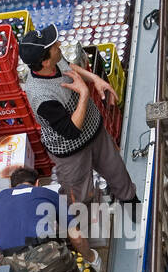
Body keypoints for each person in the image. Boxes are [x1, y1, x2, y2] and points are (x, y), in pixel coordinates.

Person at [18, 25, 138, 213]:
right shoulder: (42, 97)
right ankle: (85, 234)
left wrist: (95, 79)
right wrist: (84, 93)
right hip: (71, 153)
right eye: (53, 46)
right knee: (81, 198)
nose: (59, 44)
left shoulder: (54, 62)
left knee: (118, 173)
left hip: (94, 132)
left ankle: (133, 207)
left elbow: (69, 68)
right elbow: (72, 130)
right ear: (44, 62)